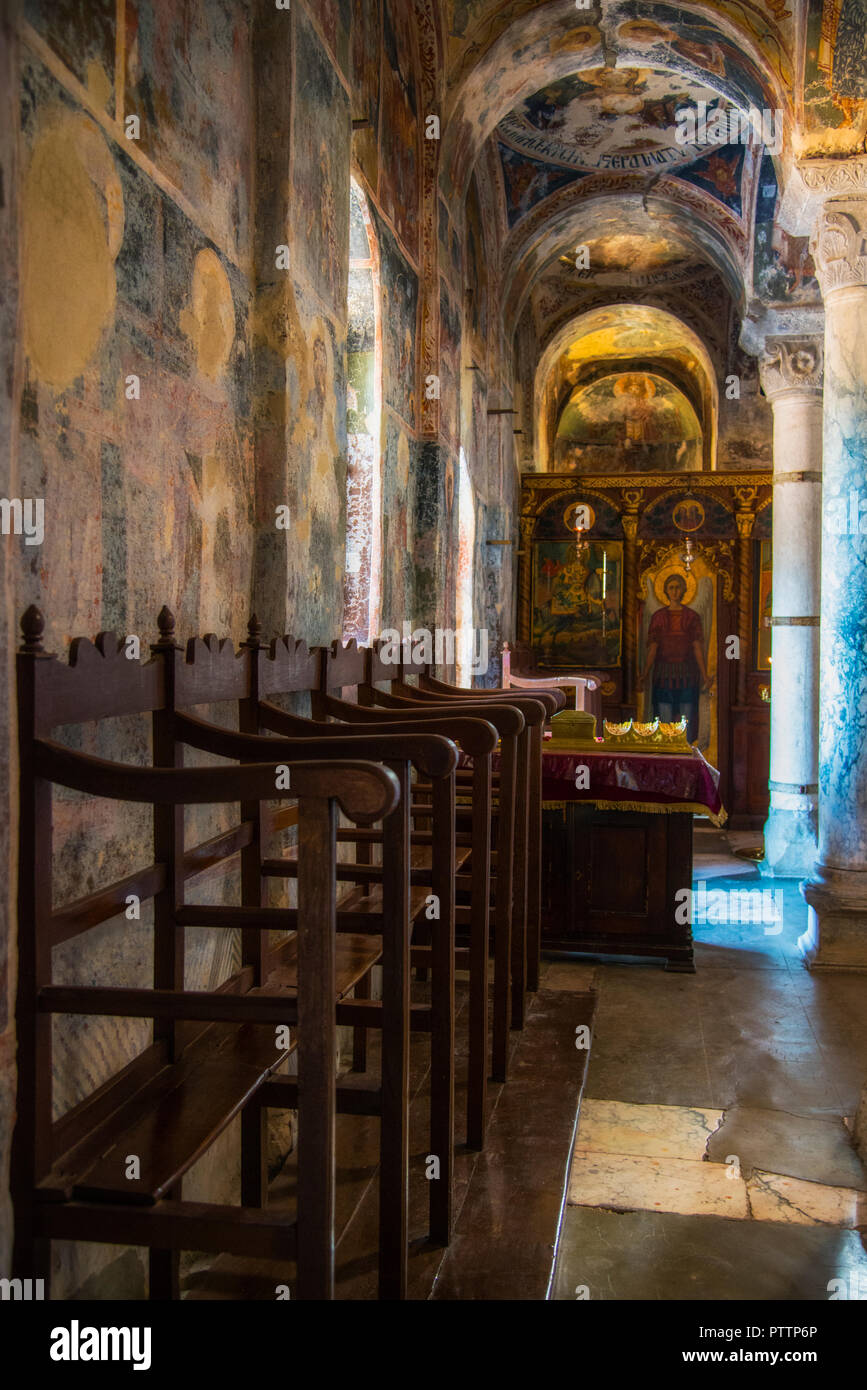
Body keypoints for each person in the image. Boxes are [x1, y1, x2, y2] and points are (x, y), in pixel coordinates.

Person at [641, 573, 708, 741]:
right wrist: (645, 673)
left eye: (678, 587)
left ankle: (686, 750)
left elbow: (697, 647)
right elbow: (653, 648)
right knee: (665, 718)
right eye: (671, 587)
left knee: (687, 717)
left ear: (684, 590)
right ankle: (666, 751)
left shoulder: (692, 617)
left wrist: (705, 675)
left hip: (687, 673)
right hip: (664, 673)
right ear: (665, 590)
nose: (675, 591)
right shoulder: (659, 617)